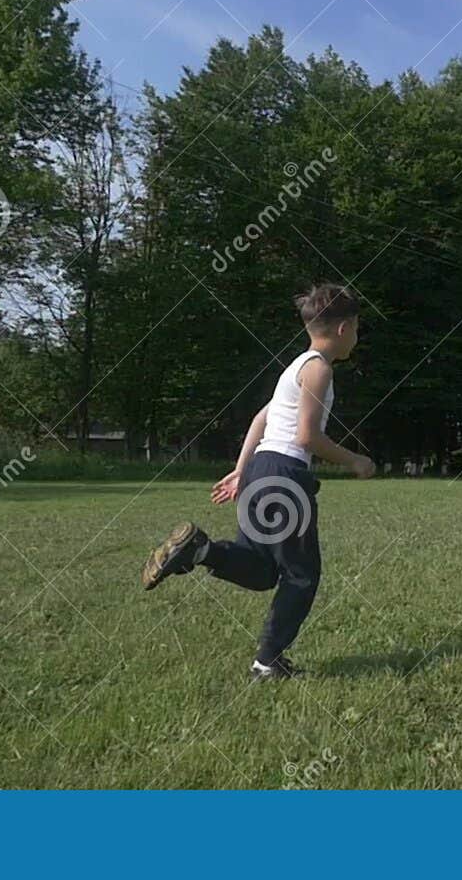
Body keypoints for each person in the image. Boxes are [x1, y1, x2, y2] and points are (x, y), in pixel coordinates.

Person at [139, 284, 375, 680]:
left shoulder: (294, 367)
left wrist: (241, 470)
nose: (357, 336)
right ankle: (268, 663)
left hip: (261, 472)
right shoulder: (319, 368)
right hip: (285, 477)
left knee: (264, 571)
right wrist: (356, 460)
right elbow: (307, 437)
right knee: (301, 574)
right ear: (343, 328)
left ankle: (198, 550)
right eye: (357, 328)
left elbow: (261, 419)